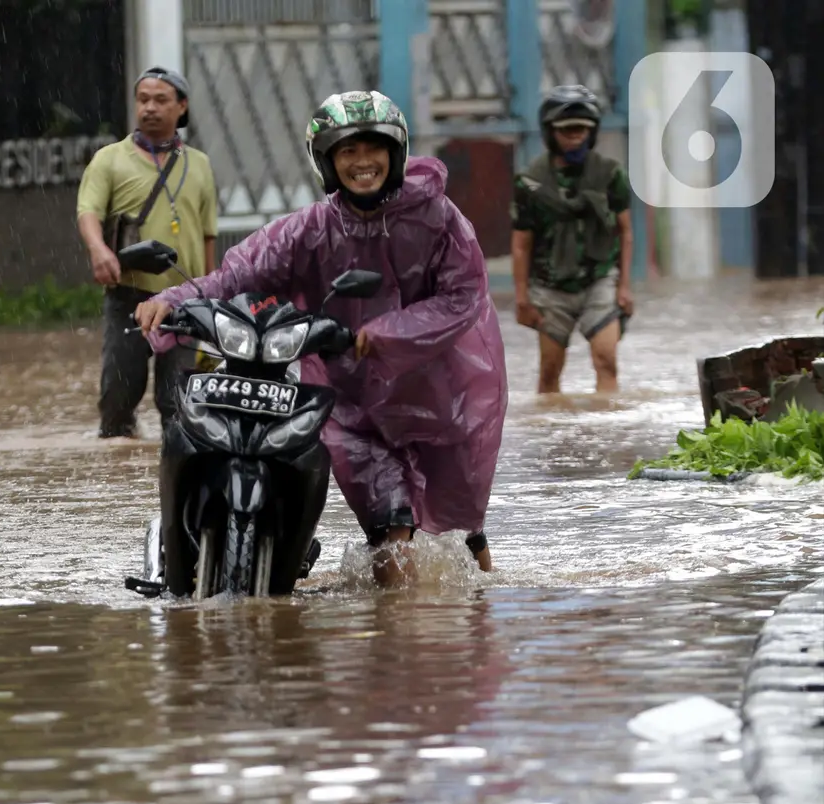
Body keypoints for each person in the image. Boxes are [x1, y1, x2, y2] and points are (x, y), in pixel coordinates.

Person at [135, 90, 507, 585]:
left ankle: (487, 619)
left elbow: (464, 297)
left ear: (395, 153)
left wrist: (385, 334)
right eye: (346, 151)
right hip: (357, 409)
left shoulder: (441, 220)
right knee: (390, 537)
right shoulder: (309, 229)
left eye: (372, 147)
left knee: (463, 530)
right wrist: (176, 300)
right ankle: (398, 641)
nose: (361, 162)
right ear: (327, 162)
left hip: (446, 396)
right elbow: (238, 272)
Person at [76, 66, 219, 438]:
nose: (150, 108)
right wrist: (98, 250)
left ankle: (171, 479)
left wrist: (214, 299)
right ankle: (120, 479)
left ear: (182, 106)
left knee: (181, 405)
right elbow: (87, 211)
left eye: (161, 100)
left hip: (185, 302)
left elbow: (207, 236)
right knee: (117, 401)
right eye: (143, 100)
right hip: (130, 296)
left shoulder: (200, 164)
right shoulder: (109, 159)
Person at [511, 85, 634, 395]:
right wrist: (523, 298)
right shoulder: (531, 182)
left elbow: (625, 231)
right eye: (567, 131)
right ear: (550, 132)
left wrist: (624, 287)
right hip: (550, 287)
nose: (575, 137)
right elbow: (521, 244)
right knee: (550, 371)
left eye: (581, 129)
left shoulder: (610, 175)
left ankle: (608, 434)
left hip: (599, 280)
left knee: (606, 361)